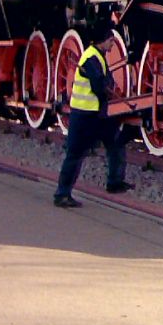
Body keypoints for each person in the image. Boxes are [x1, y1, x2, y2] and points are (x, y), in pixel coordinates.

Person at [53, 22, 133, 207]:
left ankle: (114, 182)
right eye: (111, 41)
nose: (113, 44)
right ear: (103, 41)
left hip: (96, 114)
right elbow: (100, 86)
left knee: (116, 143)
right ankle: (62, 194)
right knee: (75, 153)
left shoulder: (98, 56)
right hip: (84, 115)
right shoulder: (90, 58)